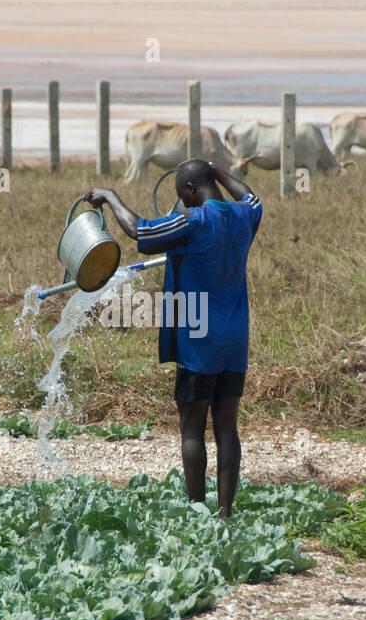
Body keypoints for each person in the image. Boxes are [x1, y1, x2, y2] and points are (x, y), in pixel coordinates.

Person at [83, 158, 261, 519]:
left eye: (183, 195)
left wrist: (111, 196)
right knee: (227, 425)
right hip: (235, 338)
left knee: (192, 427)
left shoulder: (193, 221)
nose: (182, 202)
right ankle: (225, 512)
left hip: (199, 338)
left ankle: (197, 509)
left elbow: (139, 231)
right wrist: (214, 168)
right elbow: (251, 197)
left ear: (192, 191)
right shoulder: (243, 218)